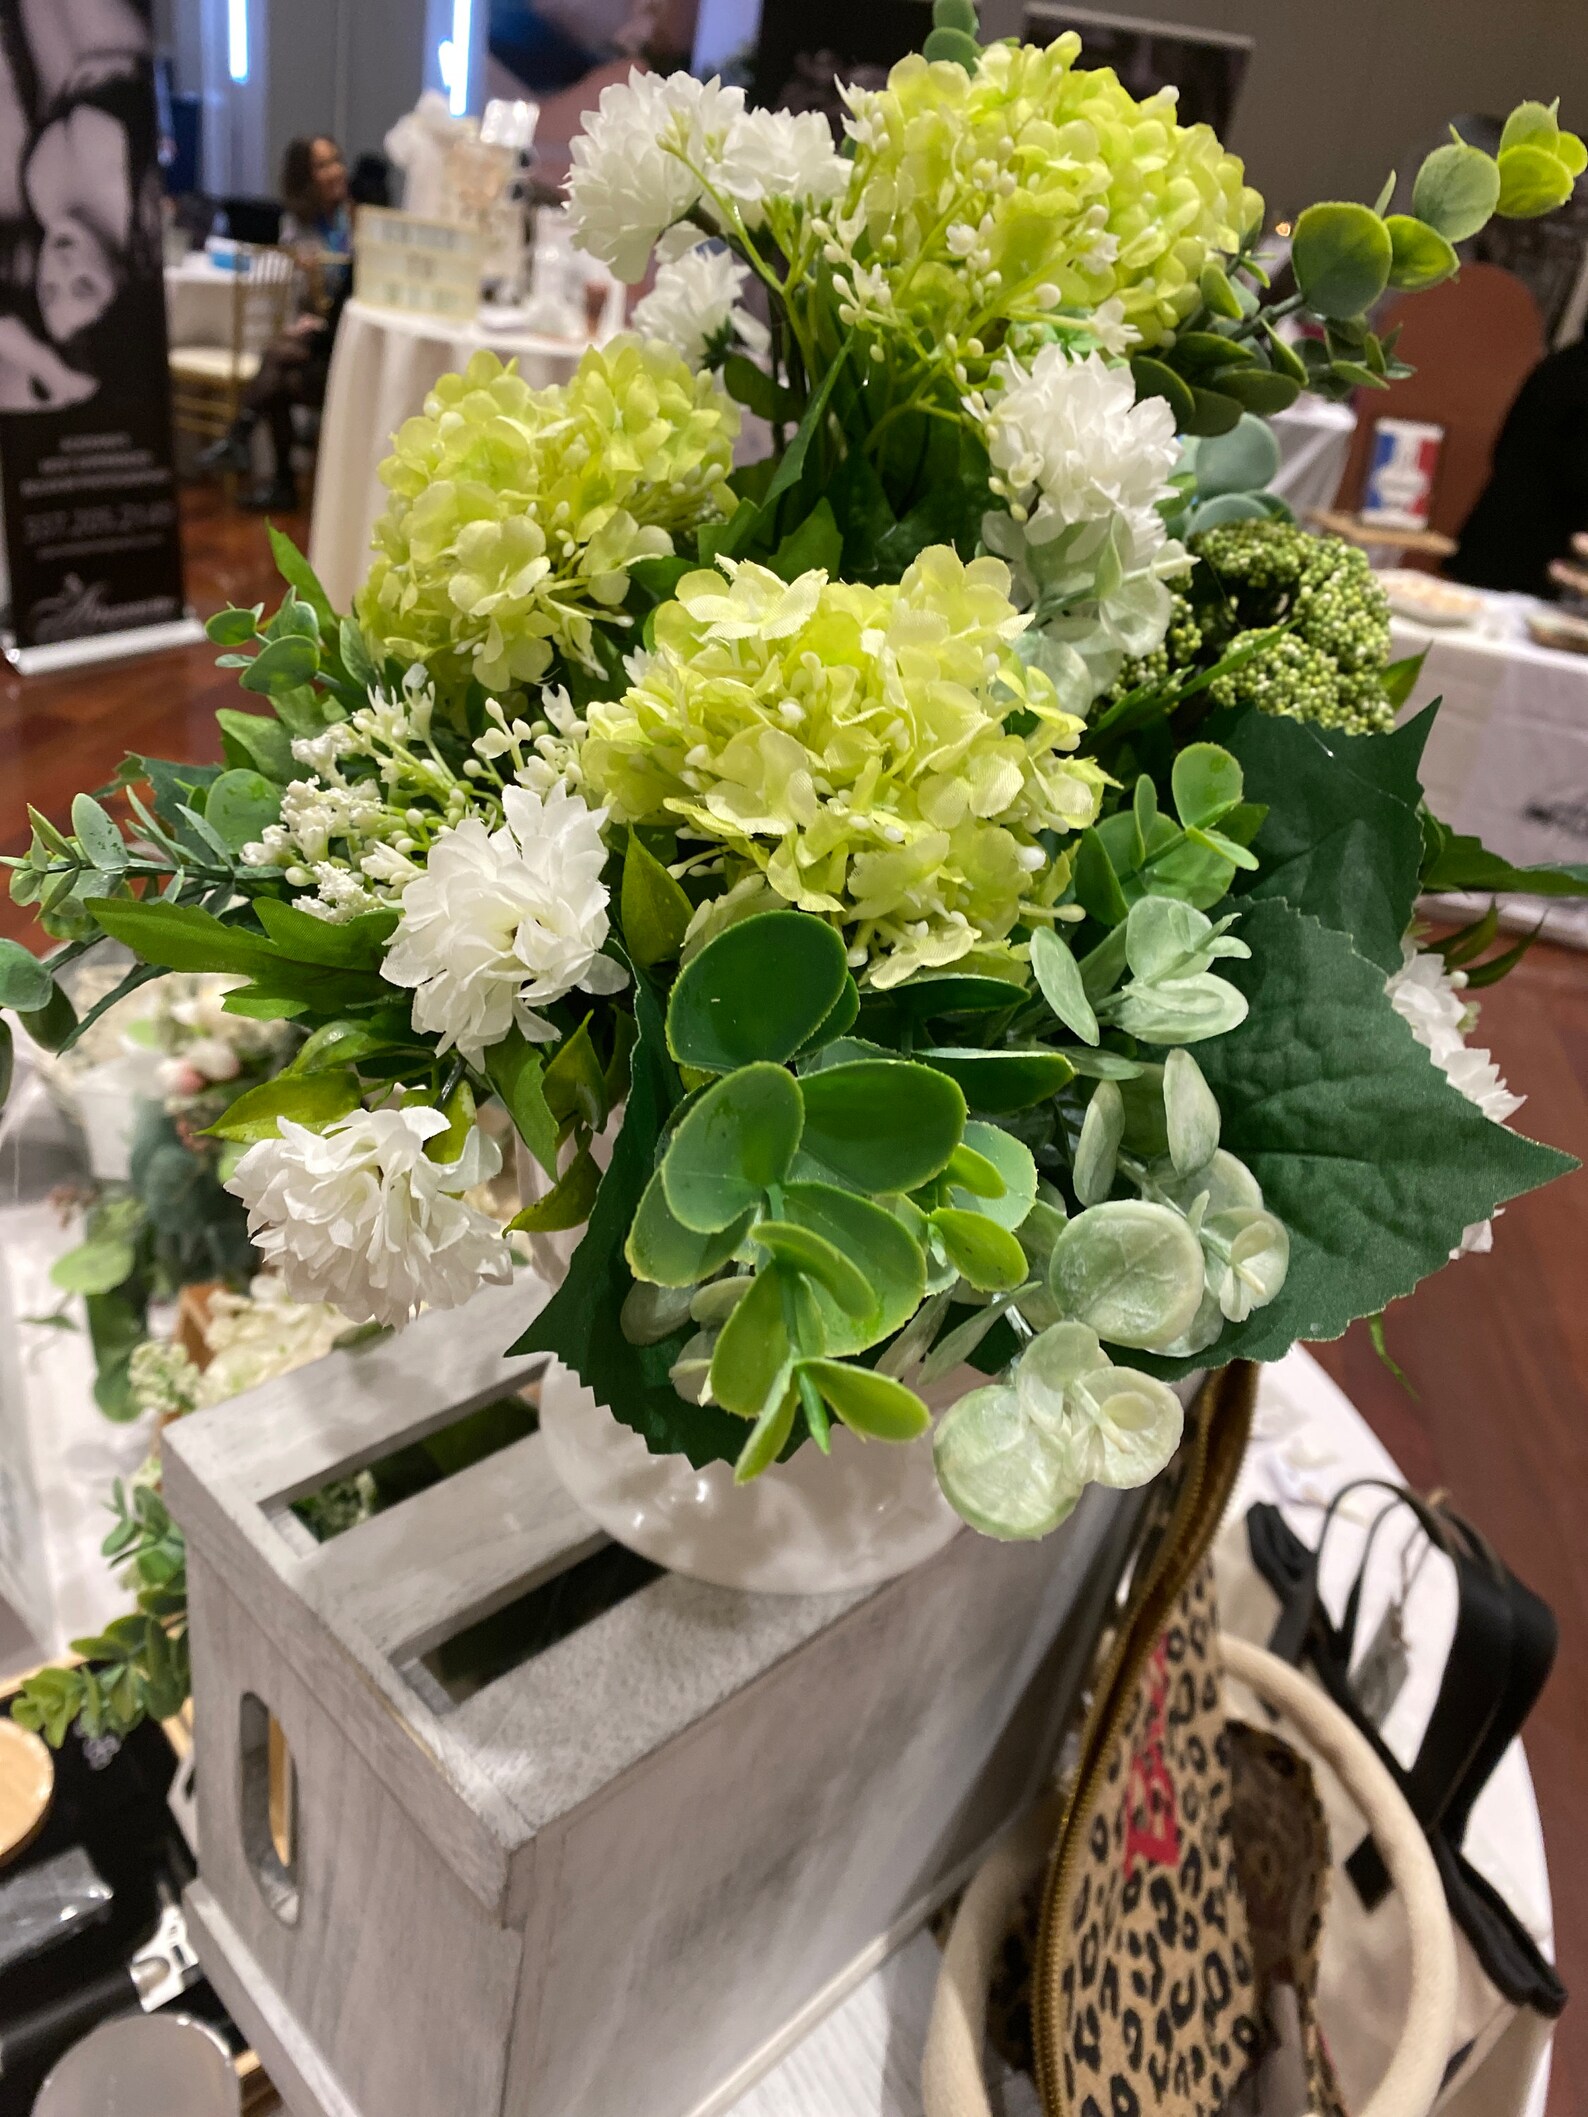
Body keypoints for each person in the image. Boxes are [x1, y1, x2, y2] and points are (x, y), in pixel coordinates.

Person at [199, 134, 352, 511]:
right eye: (322, 166)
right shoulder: (297, 226)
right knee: (279, 379)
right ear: (305, 177)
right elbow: (300, 296)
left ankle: (241, 438)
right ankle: (276, 478)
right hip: (317, 341)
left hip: (344, 348)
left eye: (335, 161)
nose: (335, 171)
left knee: (275, 362)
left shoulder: (356, 219)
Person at [1447, 332, 1588, 600]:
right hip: (1538, 553)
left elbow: (1502, 447)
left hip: (1497, 533)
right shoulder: (1575, 374)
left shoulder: (1561, 364)